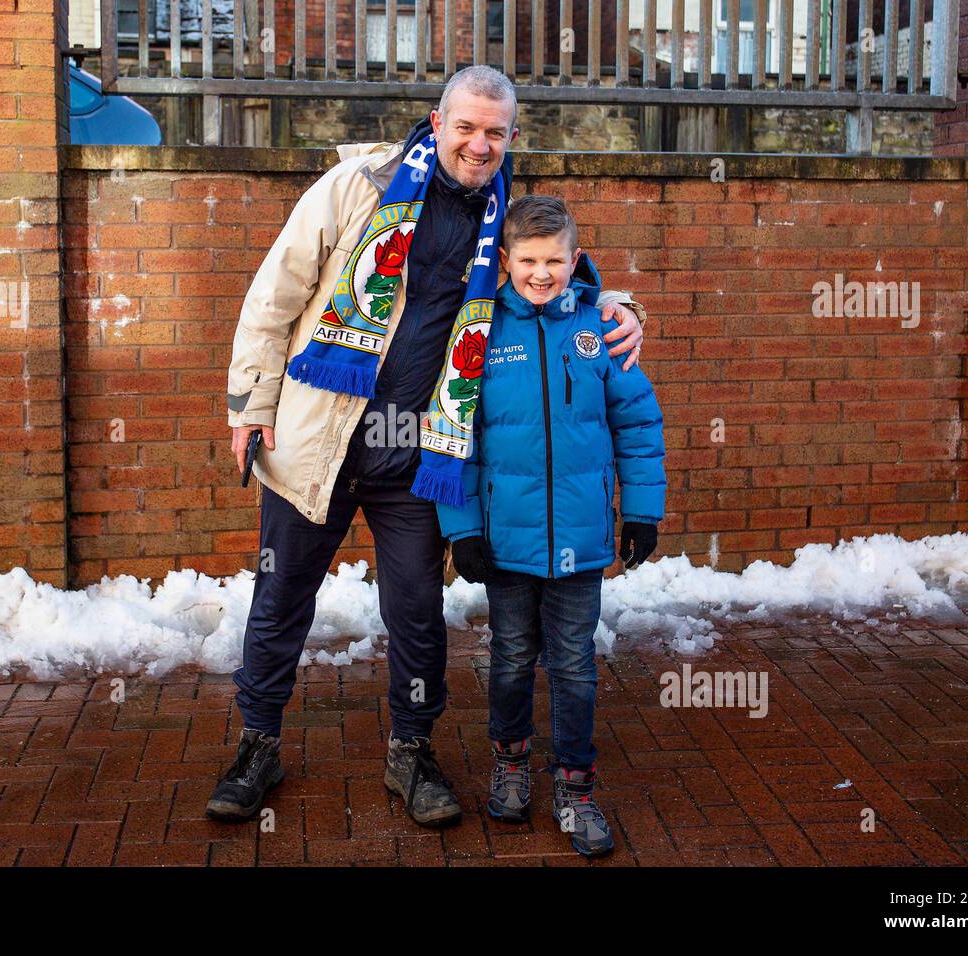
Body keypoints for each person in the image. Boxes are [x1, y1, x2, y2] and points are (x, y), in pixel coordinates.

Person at [212, 65, 649, 828]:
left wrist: (619, 305)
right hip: (317, 435)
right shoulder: (360, 185)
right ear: (439, 121)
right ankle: (258, 744)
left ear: (512, 136)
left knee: (417, 615)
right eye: (467, 126)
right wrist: (251, 402)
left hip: (418, 453)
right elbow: (275, 292)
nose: (479, 145)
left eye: (496, 132)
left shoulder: (506, 212)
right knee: (281, 597)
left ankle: (411, 752)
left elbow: (557, 277)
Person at [436, 195, 667, 856]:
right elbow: (453, 431)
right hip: (504, 542)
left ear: (575, 259)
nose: (542, 273)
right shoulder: (476, 332)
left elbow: (638, 425)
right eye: (529, 260)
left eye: (556, 260)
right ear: (505, 259)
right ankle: (509, 764)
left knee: (573, 664)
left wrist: (643, 511)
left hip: (582, 539)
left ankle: (575, 784)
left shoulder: (601, 329)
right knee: (510, 658)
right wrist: (463, 528)